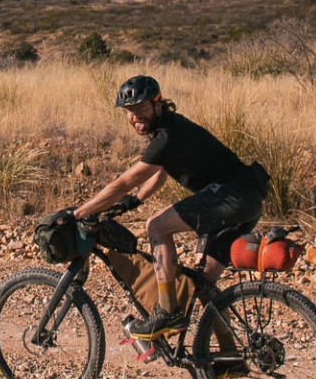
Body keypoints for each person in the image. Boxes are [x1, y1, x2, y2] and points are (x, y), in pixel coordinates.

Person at [71, 75, 268, 338]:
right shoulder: (171, 128)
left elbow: (125, 182)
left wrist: (81, 213)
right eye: (129, 111)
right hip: (248, 198)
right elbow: (162, 171)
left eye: (141, 108)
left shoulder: (165, 135)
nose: (135, 116)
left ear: (157, 104)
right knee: (202, 281)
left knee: (157, 226)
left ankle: (166, 313)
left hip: (231, 195)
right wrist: (136, 201)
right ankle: (230, 354)